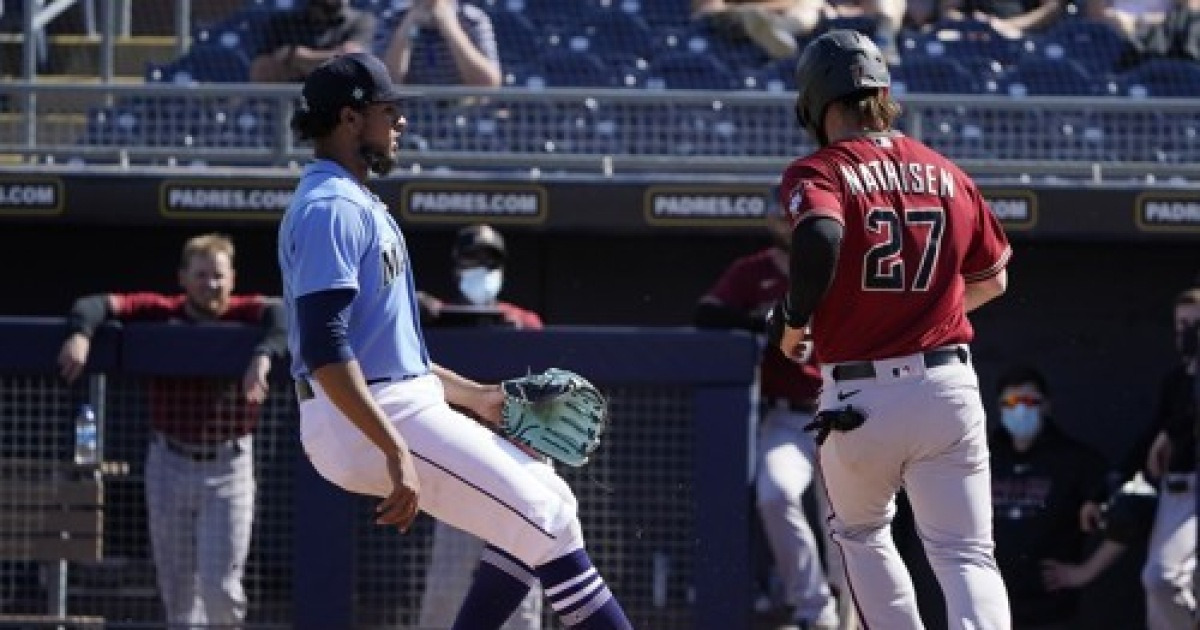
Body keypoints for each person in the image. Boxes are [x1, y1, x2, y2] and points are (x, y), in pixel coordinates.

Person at [278, 51, 633, 630]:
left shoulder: (356, 201)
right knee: (541, 516)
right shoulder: (329, 207)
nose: (401, 123)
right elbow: (325, 350)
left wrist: (479, 396)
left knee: (552, 503)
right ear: (349, 118)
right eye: (389, 110)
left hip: (394, 399)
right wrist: (393, 450)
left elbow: (392, 355)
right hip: (364, 417)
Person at [767, 29, 1013, 630]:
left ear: (817, 101)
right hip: (946, 386)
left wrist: (797, 319)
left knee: (863, 536)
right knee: (966, 554)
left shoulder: (821, 168)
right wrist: (919, 311)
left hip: (862, 394)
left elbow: (821, 233)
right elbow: (993, 281)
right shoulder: (947, 171)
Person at [56, 233, 287, 627]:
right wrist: (81, 333)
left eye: (217, 276)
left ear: (231, 279)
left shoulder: (245, 312)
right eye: (200, 275)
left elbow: (285, 314)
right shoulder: (163, 310)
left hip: (228, 467)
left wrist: (264, 356)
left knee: (221, 590)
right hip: (169, 461)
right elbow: (97, 304)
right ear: (183, 277)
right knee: (178, 594)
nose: (209, 284)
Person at [693, 209, 842, 630]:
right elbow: (706, 313)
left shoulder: (840, 266)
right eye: (781, 214)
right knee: (774, 494)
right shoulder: (753, 271)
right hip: (786, 416)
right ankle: (816, 609)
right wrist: (761, 324)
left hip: (840, 406)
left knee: (849, 518)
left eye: (796, 215)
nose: (788, 223)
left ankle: (854, 608)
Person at [416, 223, 545, 630]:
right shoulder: (439, 320)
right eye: (472, 261)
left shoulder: (522, 321)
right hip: (462, 468)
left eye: (488, 262)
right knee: (446, 588)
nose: (480, 270)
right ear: (456, 268)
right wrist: (424, 310)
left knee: (520, 596)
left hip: (516, 469)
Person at [1074, 287, 1200, 630]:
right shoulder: (1176, 381)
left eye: (1196, 326)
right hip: (1181, 493)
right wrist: (1101, 494)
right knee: (1161, 582)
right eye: (1181, 327)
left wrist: (1174, 431)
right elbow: (1148, 442)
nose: (1189, 335)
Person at [987, 365, 1107, 629]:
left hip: (1054, 612)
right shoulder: (982, 460)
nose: (1020, 409)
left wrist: (1085, 572)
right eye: (1011, 402)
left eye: (1029, 401)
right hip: (991, 605)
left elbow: (1127, 516)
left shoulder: (1076, 461)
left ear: (1046, 406)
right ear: (999, 407)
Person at [249, 0, 376, 83]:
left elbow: (352, 62)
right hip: (289, 109)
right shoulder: (284, 23)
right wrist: (332, 61)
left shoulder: (361, 21)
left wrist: (295, 56)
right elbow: (260, 73)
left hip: (340, 108)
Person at [382, 0, 501, 87]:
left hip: (465, 115)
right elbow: (382, 84)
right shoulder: (391, 20)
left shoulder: (473, 19)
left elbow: (488, 83)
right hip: (408, 114)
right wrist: (408, 26)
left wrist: (450, 28)